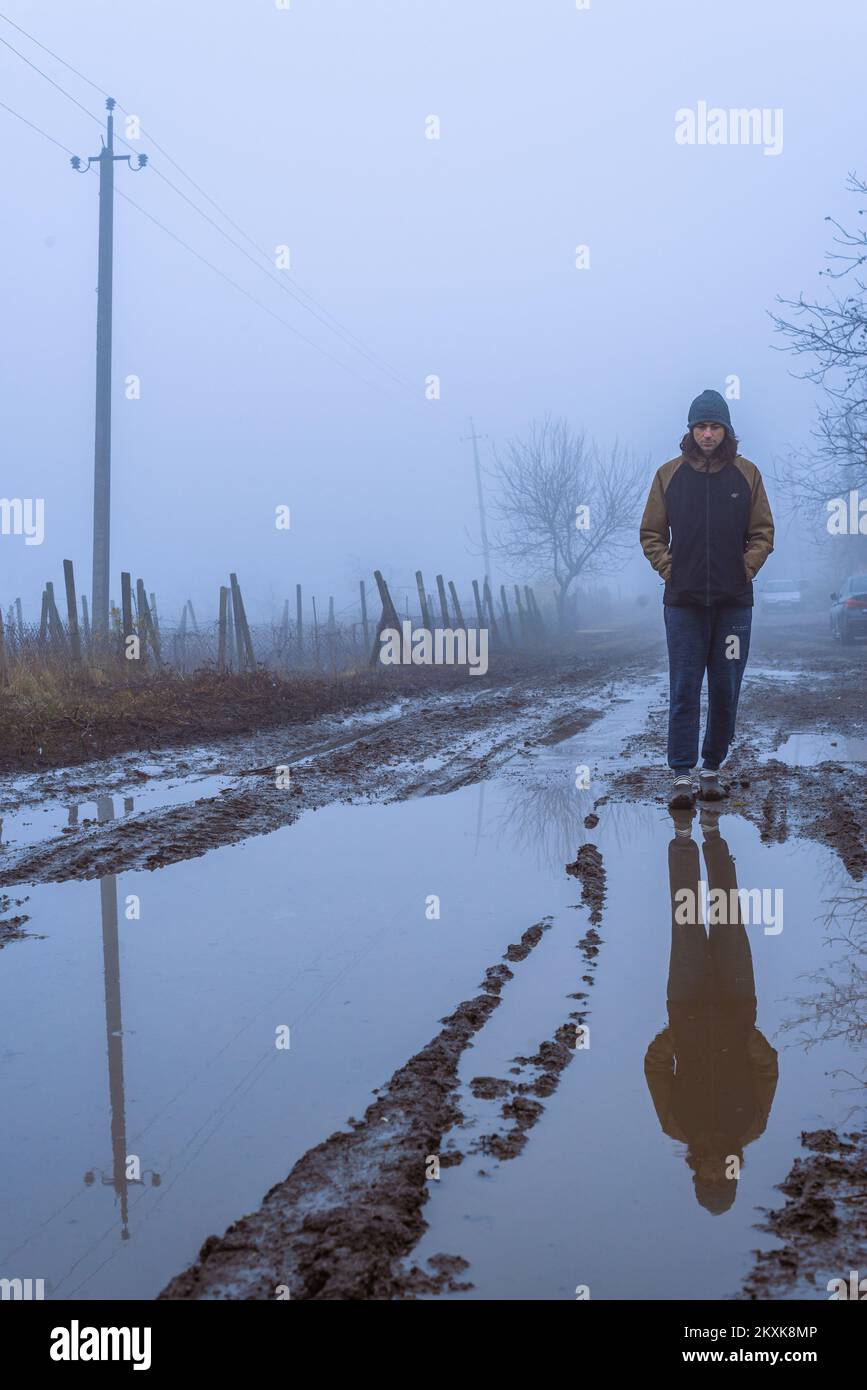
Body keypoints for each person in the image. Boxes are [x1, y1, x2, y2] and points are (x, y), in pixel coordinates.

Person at [640, 390, 774, 808]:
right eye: (701, 427)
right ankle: (682, 776)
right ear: (691, 430)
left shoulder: (747, 474)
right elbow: (651, 534)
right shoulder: (669, 475)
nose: (708, 434)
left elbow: (763, 533)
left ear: (727, 430)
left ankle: (712, 770)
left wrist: (743, 570)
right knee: (684, 687)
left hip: (734, 606)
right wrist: (671, 570)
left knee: (725, 687)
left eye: (716, 427)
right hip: (683, 604)